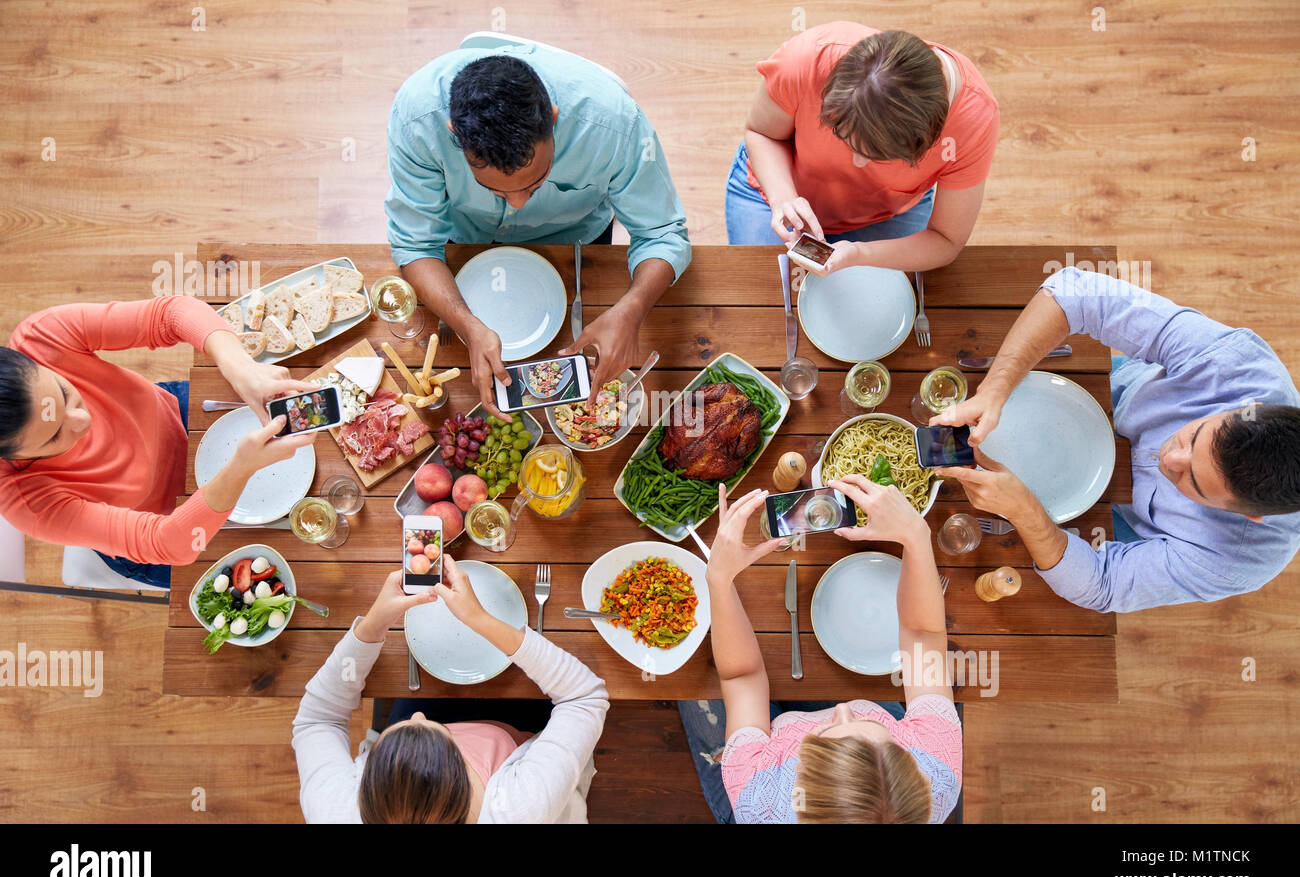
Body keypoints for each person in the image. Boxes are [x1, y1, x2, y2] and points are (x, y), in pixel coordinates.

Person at [933, 265, 1300, 614]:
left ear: (1249, 515)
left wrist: (1026, 513)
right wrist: (994, 391)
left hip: (1116, 516)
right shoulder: (1239, 367)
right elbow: (1077, 293)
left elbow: (1102, 584)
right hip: (1113, 396)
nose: (1169, 459)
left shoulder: (1241, 561)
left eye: (1196, 483)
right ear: (1245, 405)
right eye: (1194, 436)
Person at [385, 48, 692, 418]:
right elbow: (415, 244)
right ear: (454, 134)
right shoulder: (417, 119)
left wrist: (632, 309)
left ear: (555, 120)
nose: (517, 205)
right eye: (496, 190)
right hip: (465, 239)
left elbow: (662, 232)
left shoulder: (615, 125)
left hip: (577, 240)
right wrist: (466, 324)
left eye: (535, 183)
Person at [679, 481, 962, 824]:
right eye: (879, 732)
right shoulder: (936, 770)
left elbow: (742, 678)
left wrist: (719, 578)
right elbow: (924, 636)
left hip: (748, 776)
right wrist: (916, 535)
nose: (843, 709)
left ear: (796, 781)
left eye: (826, 733)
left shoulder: (758, 797)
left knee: (690, 672)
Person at [0, 295, 316, 587]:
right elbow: (169, 543)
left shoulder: (40, 337)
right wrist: (239, 471)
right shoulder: (25, 502)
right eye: (55, 435)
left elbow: (171, 314)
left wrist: (241, 368)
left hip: (177, 413)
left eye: (65, 393)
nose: (84, 421)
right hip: (167, 525)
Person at [292, 557, 610, 824]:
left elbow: (319, 720)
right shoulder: (522, 805)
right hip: (523, 735)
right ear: (468, 787)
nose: (419, 714)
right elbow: (582, 696)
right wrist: (479, 618)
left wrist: (373, 625)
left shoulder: (335, 811)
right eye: (430, 727)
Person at [728, 23, 998, 272]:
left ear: (926, 141)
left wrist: (860, 254)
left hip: (885, 216)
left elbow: (945, 239)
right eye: (841, 135)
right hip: (768, 192)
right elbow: (762, 133)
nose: (856, 163)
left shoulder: (974, 121)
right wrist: (783, 198)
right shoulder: (806, 60)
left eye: (875, 156)